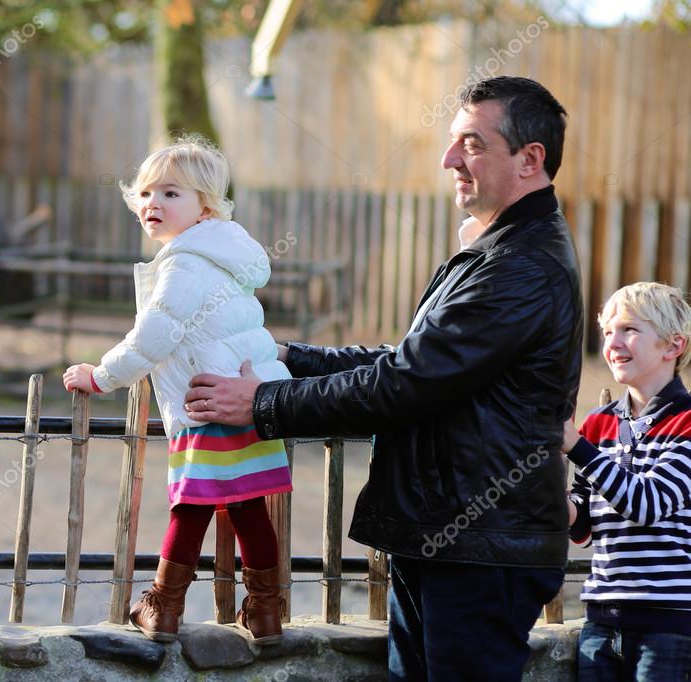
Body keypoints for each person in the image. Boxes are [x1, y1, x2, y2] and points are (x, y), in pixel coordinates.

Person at [183, 76, 581, 680]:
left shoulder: (522, 267)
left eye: (471, 144)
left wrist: (264, 403)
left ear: (531, 159)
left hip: (481, 549)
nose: (450, 159)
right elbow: (412, 360)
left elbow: (407, 383)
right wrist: (294, 357)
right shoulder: (501, 250)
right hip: (449, 541)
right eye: (453, 142)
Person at [61, 135, 293, 645]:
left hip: (206, 401)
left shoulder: (185, 260)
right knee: (249, 508)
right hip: (248, 398)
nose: (153, 204)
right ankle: (265, 614)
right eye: (146, 194)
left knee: (190, 508)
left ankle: (163, 608)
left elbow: (155, 334)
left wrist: (100, 375)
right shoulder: (221, 254)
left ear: (204, 205)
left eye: (170, 194)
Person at [563, 282, 691, 682]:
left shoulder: (686, 423)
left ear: (673, 346)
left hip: (668, 625)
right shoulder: (597, 425)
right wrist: (542, 487)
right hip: (599, 621)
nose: (613, 342)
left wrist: (576, 448)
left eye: (629, 330)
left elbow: (648, 504)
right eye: (606, 332)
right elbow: (583, 527)